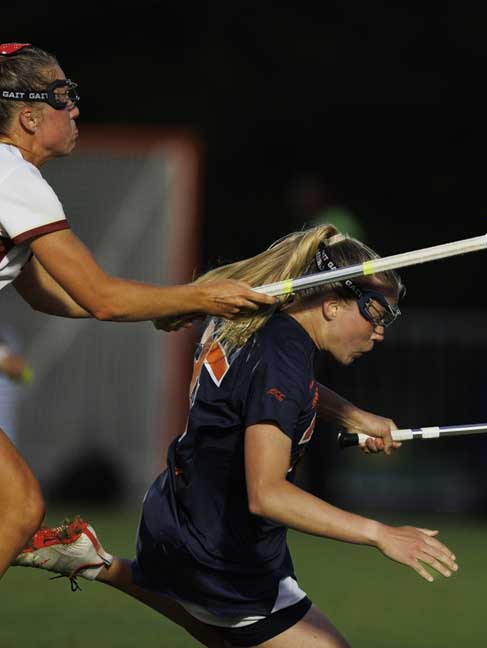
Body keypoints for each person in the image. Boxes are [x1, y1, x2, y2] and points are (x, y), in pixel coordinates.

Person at [15, 226, 459, 648]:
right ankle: (99, 565)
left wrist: (351, 414)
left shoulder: (259, 319)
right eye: (375, 314)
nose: (379, 332)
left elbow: (268, 389)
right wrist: (380, 533)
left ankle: (95, 562)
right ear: (333, 303)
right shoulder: (283, 357)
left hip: (174, 521)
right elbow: (267, 495)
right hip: (223, 560)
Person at [0, 41, 278, 582]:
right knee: (17, 508)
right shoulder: (16, 181)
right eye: (63, 96)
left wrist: (157, 307)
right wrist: (201, 295)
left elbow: (48, 293)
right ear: (29, 116)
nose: (76, 108)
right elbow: (103, 298)